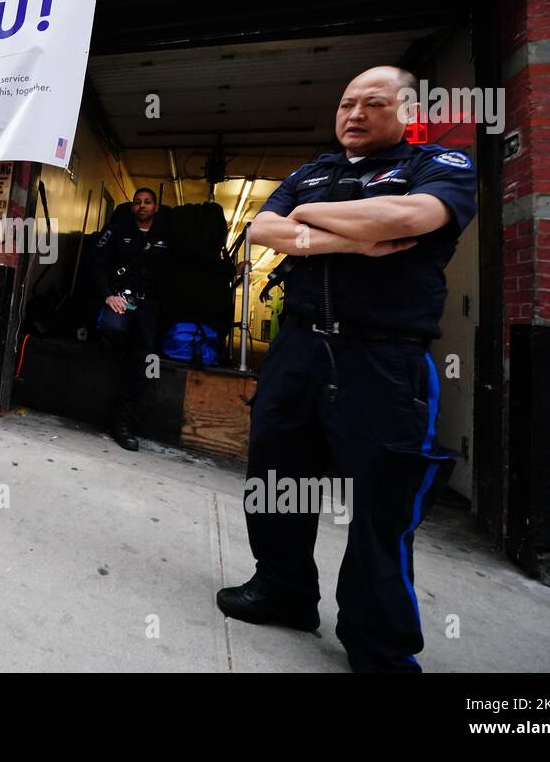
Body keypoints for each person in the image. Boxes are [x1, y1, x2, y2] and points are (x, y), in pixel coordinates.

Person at [215, 65, 477, 673]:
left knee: (382, 501)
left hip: (384, 358)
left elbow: (408, 220)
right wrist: (355, 239)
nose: (354, 114)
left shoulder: (440, 166)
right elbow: (262, 227)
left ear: (408, 111)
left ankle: (377, 642)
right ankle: (283, 589)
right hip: (301, 349)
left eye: (372, 103)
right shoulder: (312, 170)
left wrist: (311, 221)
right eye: (346, 103)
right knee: (277, 475)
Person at [91, 187, 169, 451]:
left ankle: (124, 426)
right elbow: (97, 266)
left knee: (144, 363)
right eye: (137, 202)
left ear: (155, 207)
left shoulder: (165, 237)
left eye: (147, 202)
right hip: (121, 299)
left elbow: (183, 268)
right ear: (132, 207)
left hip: (148, 307)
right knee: (112, 329)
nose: (142, 206)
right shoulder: (117, 232)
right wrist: (107, 296)